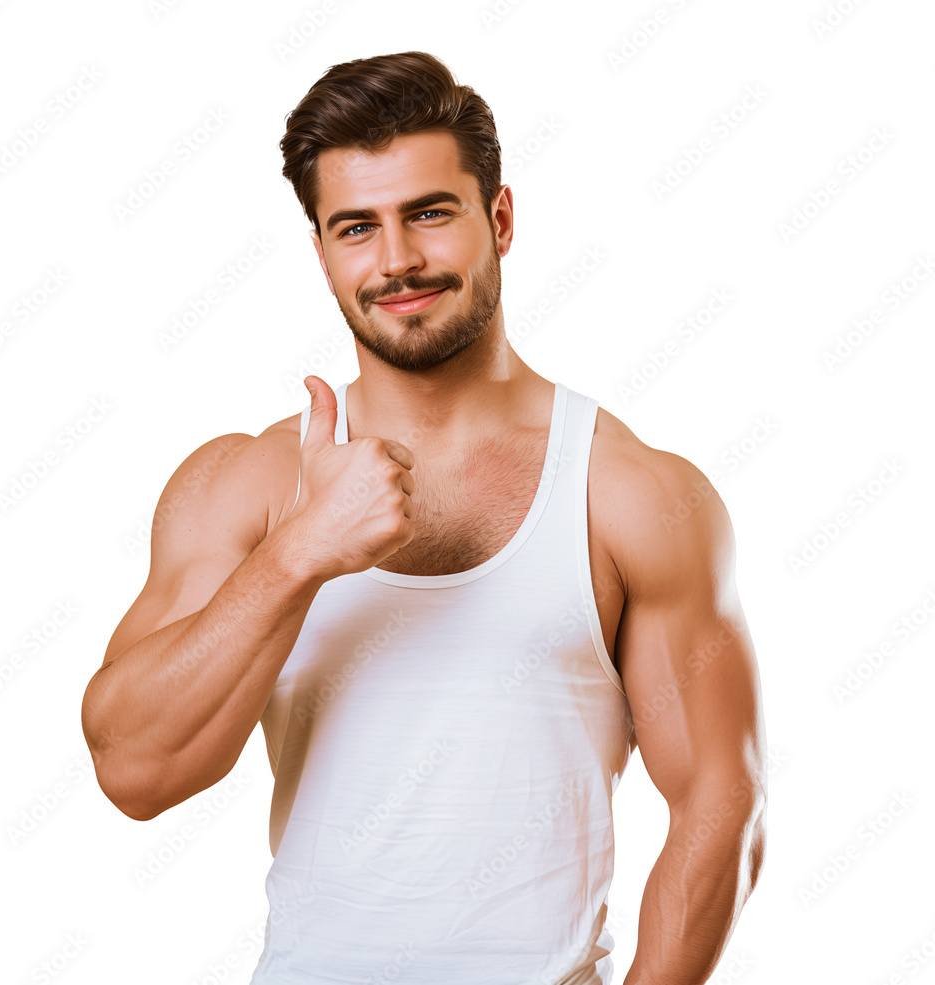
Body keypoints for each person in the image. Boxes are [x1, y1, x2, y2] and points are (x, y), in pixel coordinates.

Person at [81, 50, 767, 985]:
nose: (396, 260)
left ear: (501, 218)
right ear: (321, 251)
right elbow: (135, 769)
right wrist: (299, 555)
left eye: (429, 213)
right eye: (356, 227)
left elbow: (722, 803)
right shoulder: (246, 484)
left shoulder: (632, 491)